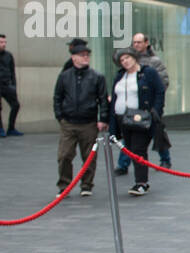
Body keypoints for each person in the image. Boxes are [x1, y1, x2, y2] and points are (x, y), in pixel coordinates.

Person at [54, 39, 108, 197]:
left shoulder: (97, 77)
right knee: (64, 155)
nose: (85, 57)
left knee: (89, 156)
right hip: (68, 122)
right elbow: (57, 97)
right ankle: (64, 185)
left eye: (87, 55)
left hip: (89, 122)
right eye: (82, 55)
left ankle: (87, 185)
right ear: (74, 58)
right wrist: (60, 116)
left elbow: (103, 99)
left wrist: (102, 118)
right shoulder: (64, 76)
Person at [109, 48, 165, 197]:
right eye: (122, 60)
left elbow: (160, 91)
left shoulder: (148, 73)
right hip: (123, 119)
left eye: (127, 58)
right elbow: (114, 97)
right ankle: (140, 180)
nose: (125, 61)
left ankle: (141, 182)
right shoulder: (120, 76)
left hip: (141, 118)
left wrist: (156, 111)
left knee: (138, 149)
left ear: (134, 58)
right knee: (131, 149)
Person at [117, 32, 172, 173]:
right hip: (133, 108)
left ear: (146, 43)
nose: (136, 45)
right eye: (134, 42)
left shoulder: (154, 61)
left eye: (139, 42)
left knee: (157, 132)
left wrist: (155, 105)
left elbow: (163, 83)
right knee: (129, 136)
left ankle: (165, 159)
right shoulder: (128, 61)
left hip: (150, 107)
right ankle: (123, 164)